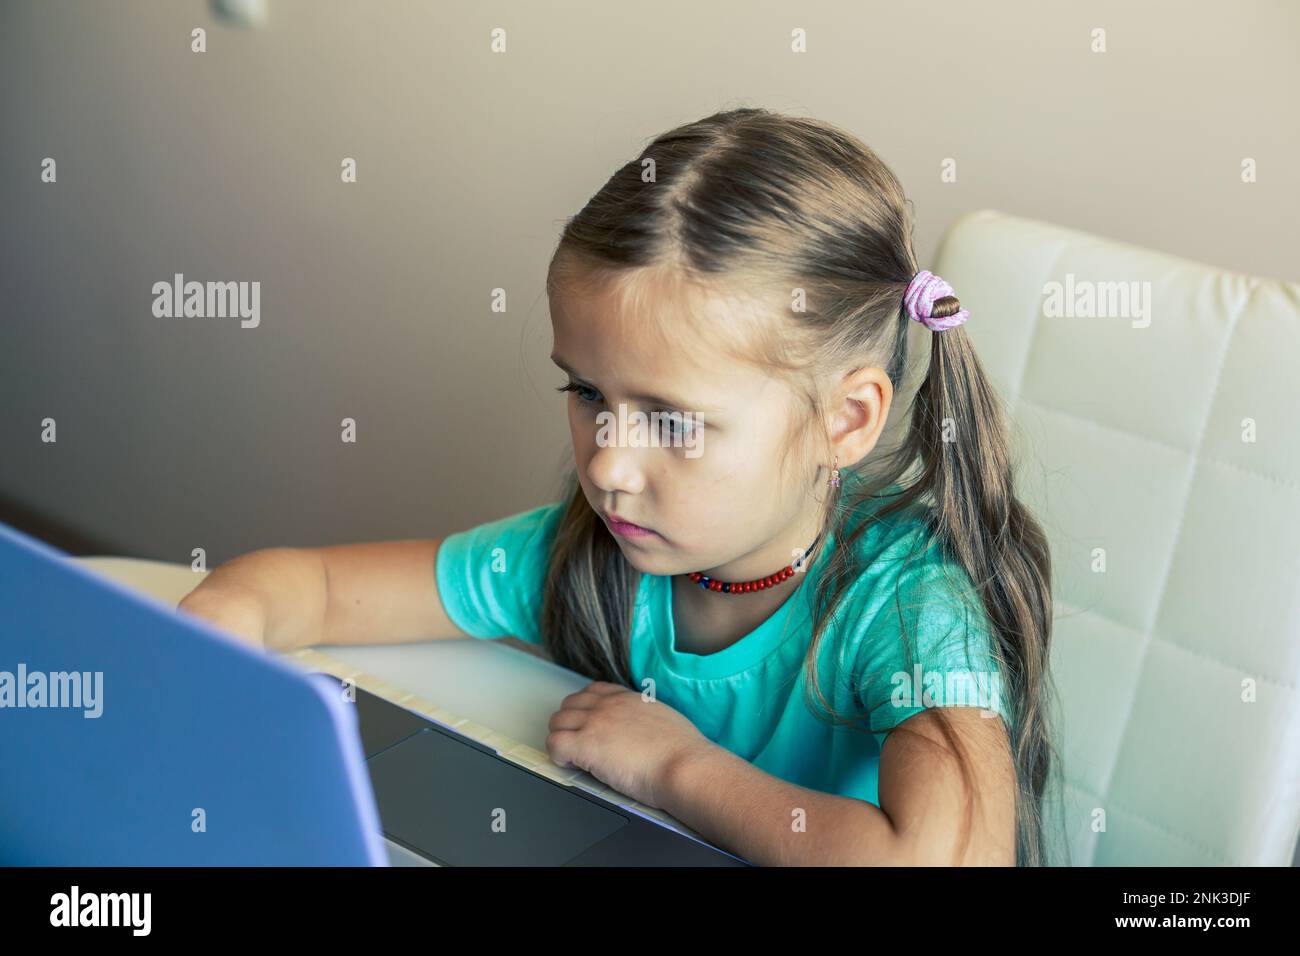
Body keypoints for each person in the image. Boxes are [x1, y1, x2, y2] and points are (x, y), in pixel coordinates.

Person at [180, 108, 1061, 867]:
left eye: (672, 420)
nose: (605, 464)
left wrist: (676, 768)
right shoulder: (597, 551)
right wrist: (215, 639)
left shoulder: (907, 608)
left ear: (847, 419)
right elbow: (319, 590)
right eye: (588, 394)